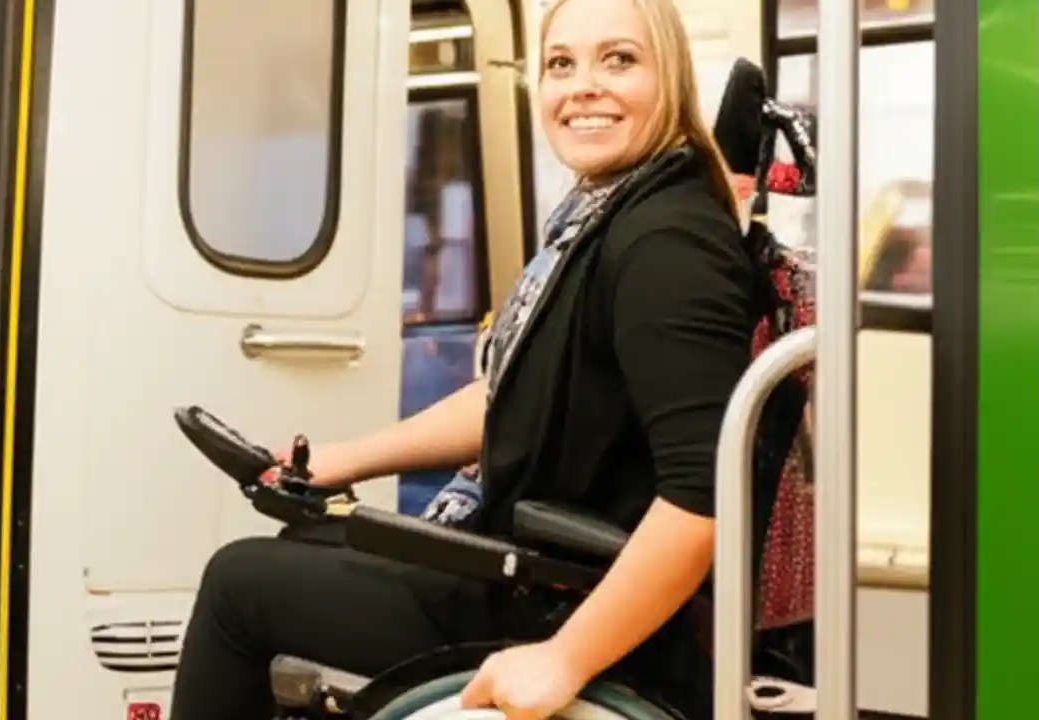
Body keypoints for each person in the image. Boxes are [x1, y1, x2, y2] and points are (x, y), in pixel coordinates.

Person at [168, 0, 761, 717]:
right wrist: (341, 460)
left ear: (670, 74)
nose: (583, 87)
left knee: (239, 586)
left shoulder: (667, 244)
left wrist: (563, 658)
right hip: (535, 563)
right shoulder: (607, 215)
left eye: (619, 59)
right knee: (311, 533)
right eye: (560, 64)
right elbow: (506, 399)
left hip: (560, 598)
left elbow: (705, 496)